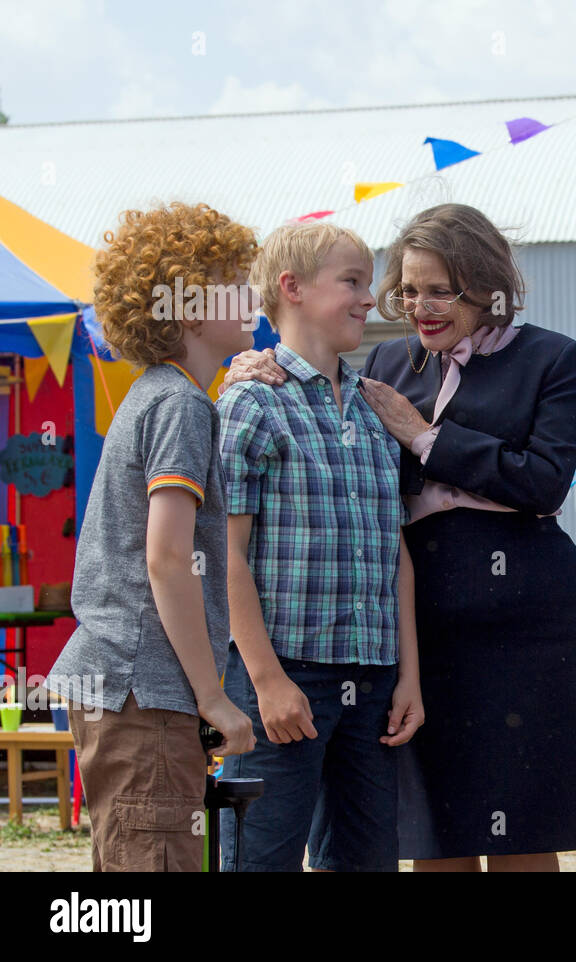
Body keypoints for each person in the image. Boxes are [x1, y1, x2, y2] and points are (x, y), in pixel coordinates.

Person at [226, 203, 576, 871]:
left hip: (527, 620)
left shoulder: (551, 357)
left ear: (485, 284)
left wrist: (425, 437)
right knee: (431, 825)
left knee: (520, 828)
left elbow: (544, 482)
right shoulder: (386, 362)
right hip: (422, 622)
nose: (417, 305)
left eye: (439, 290)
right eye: (407, 289)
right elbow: (314, 404)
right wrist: (247, 368)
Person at [44, 202, 257, 872]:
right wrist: (213, 695)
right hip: (144, 692)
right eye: (235, 279)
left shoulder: (158, 394)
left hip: (126, 687)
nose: (253, 294)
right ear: (191, 306)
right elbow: (168, 559)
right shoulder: (181, 404)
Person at [216, 221, 423, 872]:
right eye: (353, 283)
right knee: (261, 860)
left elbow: (396, 552)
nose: (370, 300)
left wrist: (408, 673)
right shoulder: (252, 404)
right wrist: (268, 682)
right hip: (283, 681)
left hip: (372, 681)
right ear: (293, 289)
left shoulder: (371, 410)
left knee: (367, 863)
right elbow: (225, 558)